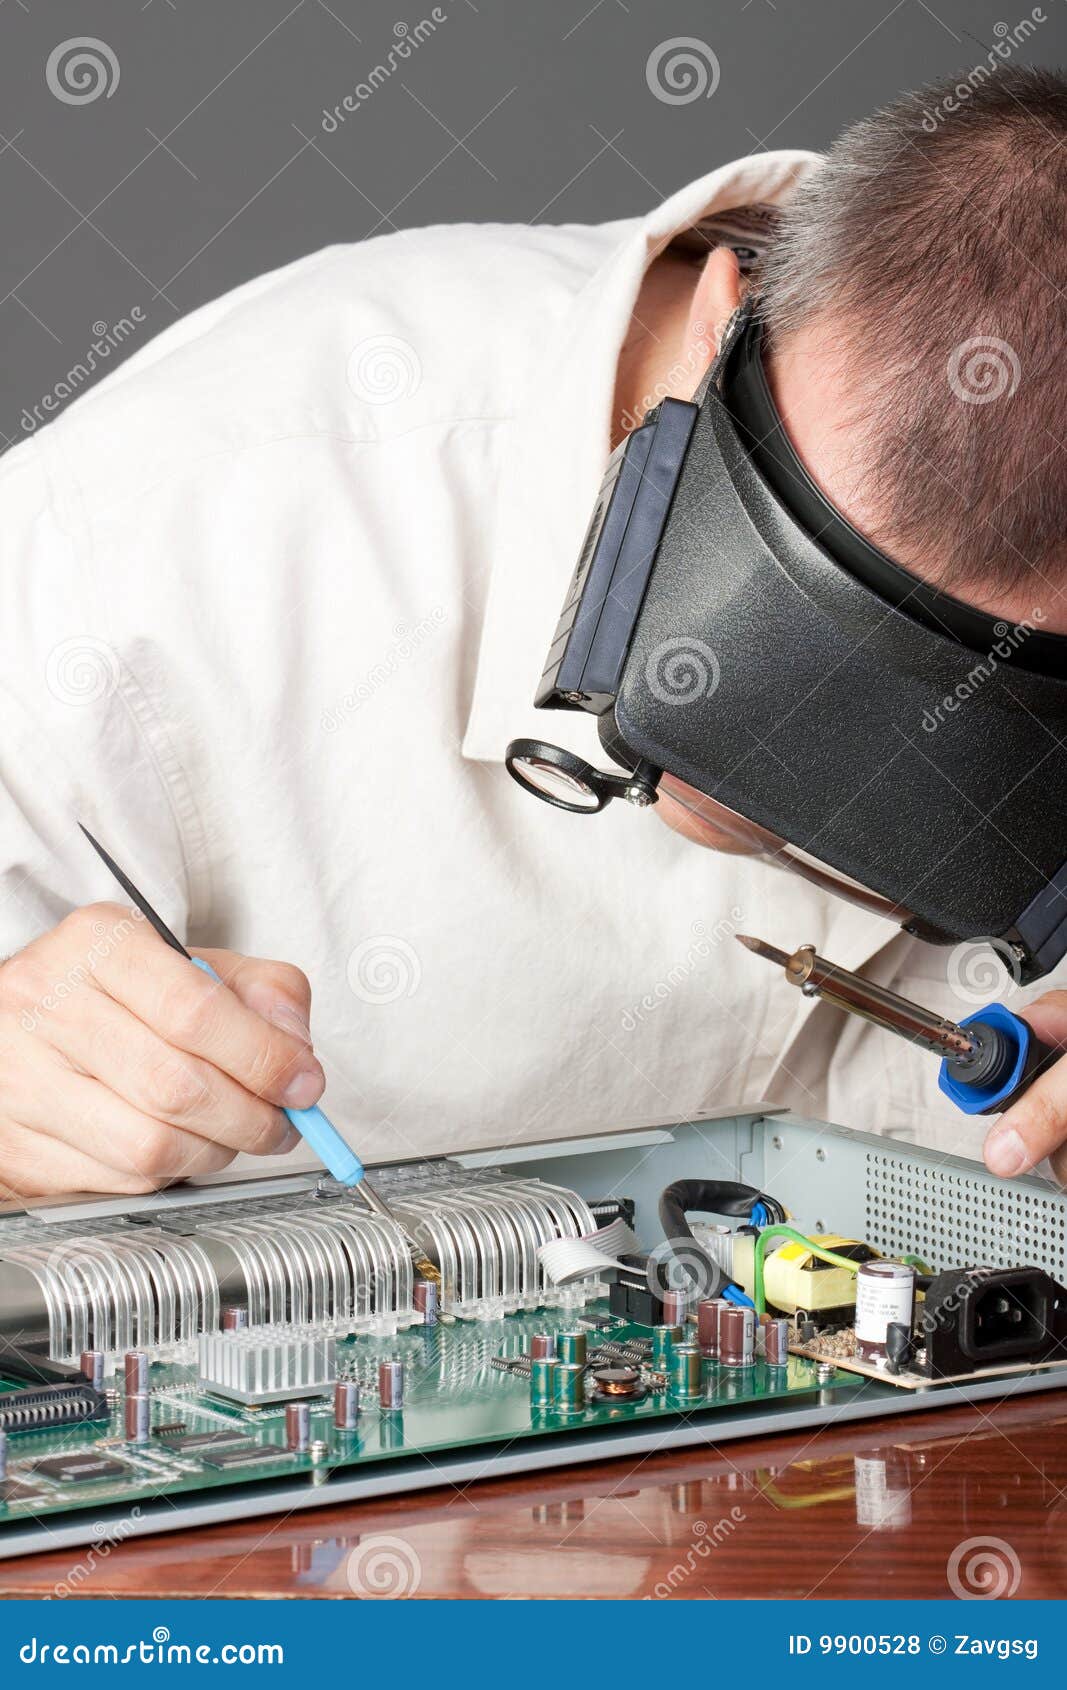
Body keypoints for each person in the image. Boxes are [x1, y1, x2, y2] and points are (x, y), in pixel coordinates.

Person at [2, 67, 1066, 1198]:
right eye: (795, 617)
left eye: (946, 722)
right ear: (724, 324)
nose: (782, 778)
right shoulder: (158, 534)